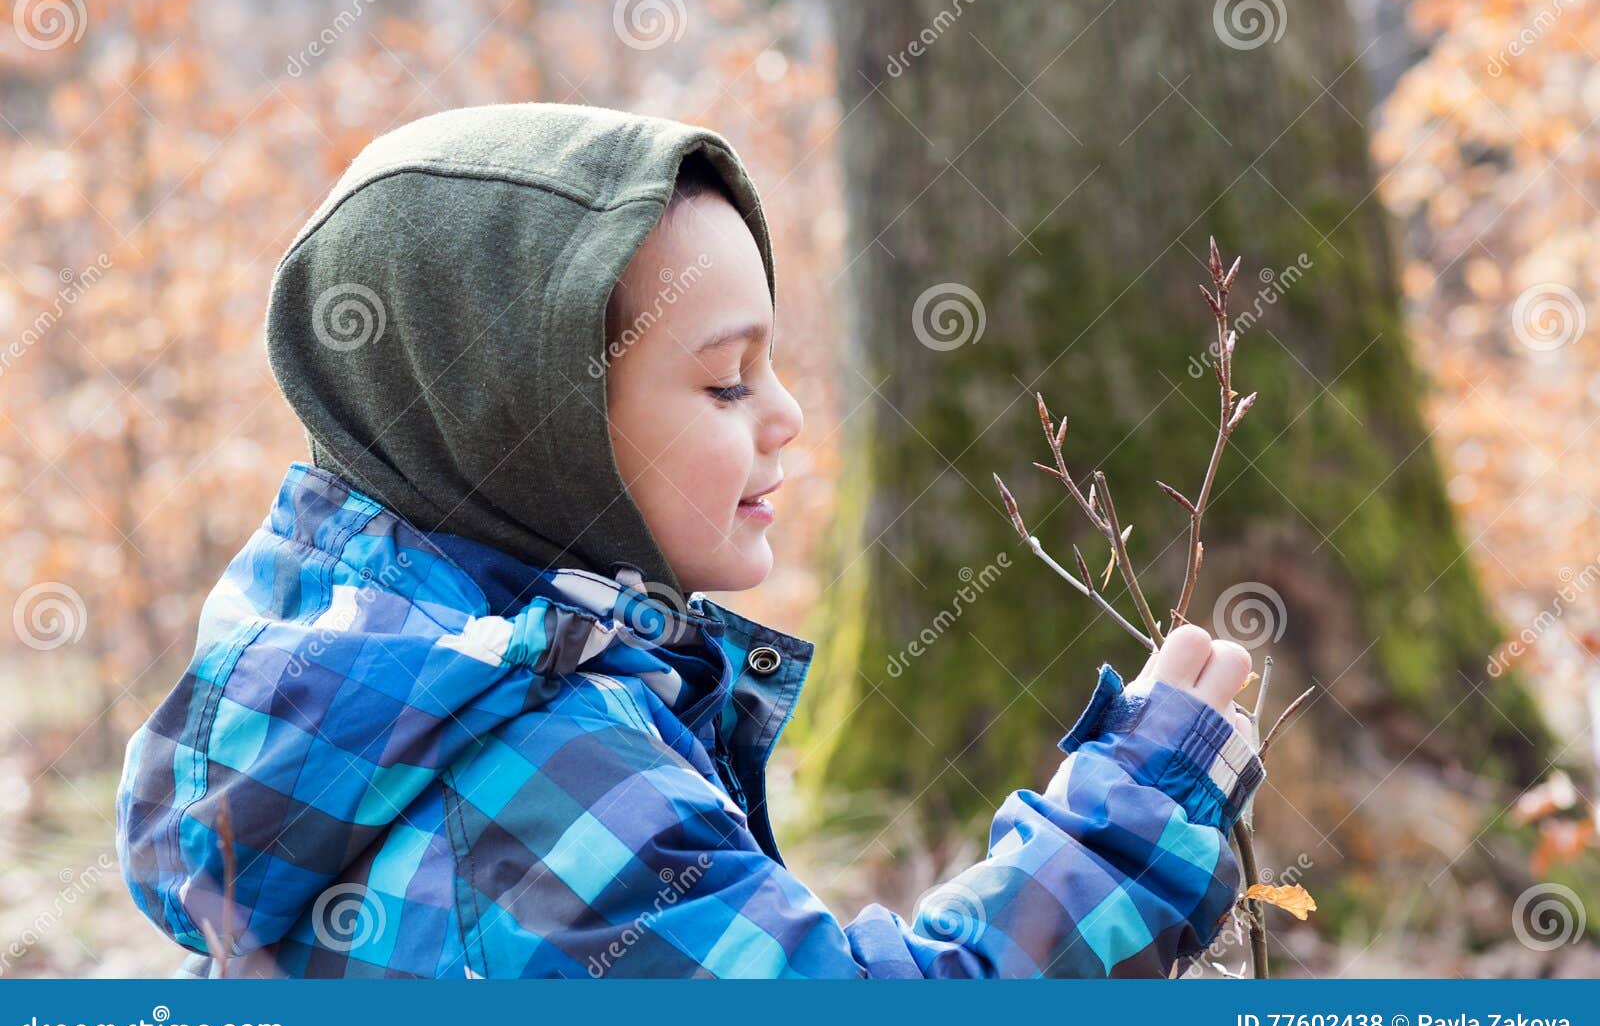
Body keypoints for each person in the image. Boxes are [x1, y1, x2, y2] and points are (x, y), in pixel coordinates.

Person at [115, 103, 1264, 978]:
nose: (787, 416)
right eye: (723, 381)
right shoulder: (539, 787)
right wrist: (1135, 818)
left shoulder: (353, 680)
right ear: (532, 430)